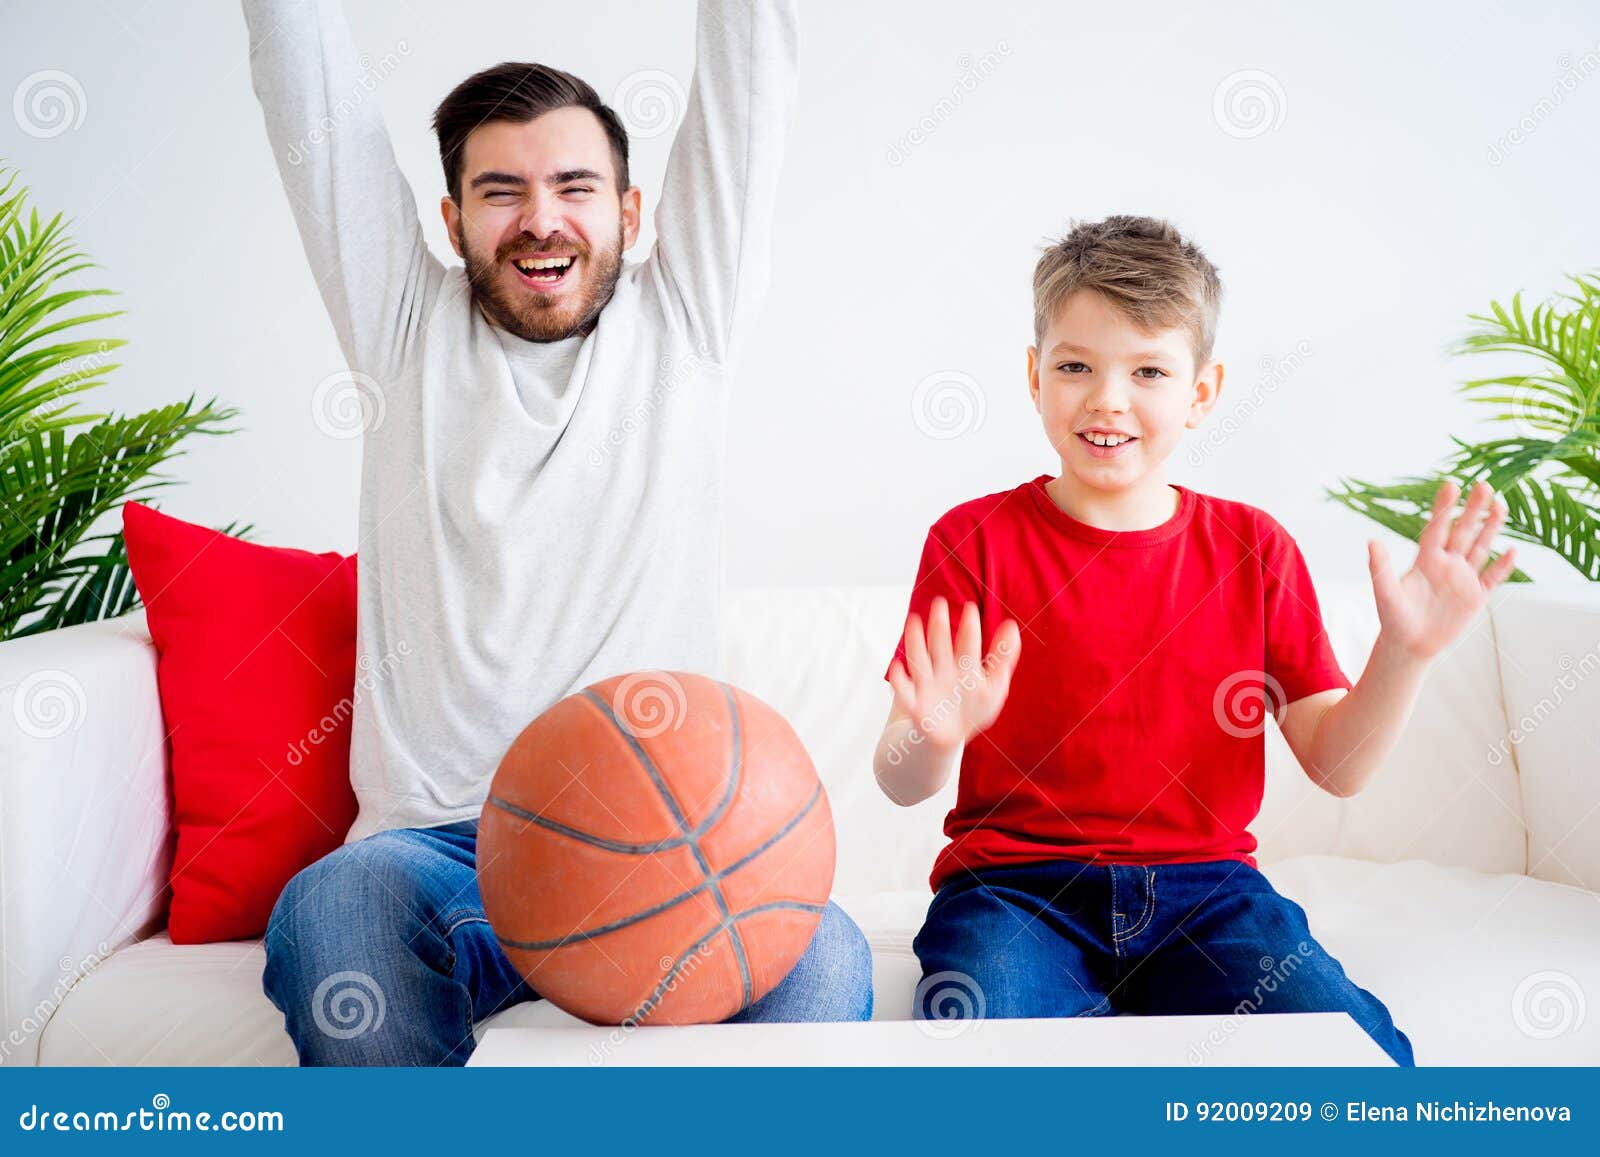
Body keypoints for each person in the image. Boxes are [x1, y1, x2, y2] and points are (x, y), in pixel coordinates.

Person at [243, 0, 872, 1066]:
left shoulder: (687, 325)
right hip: (441, 852)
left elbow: (751, 72)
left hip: (658, 852)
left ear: (629, 210)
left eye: (575, 188)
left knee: (825, 955)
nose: (542, 220)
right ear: (451, 221)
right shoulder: (403, 328)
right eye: (501, 192)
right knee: (331, 911)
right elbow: (304, 77)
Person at [873, 214, 1521, 1068]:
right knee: (987, 1066)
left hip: (1208, 894)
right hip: (1013, 892)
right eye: (1076, 366)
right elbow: (897, 775)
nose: (1108, 398)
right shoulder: (972, 540)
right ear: (1035, 377)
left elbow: (1338, 764)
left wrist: (1404, 655)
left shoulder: (1253, 550)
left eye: (1148, 370)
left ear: (1202, 391)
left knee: (1361, 1067)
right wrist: (935, 733)